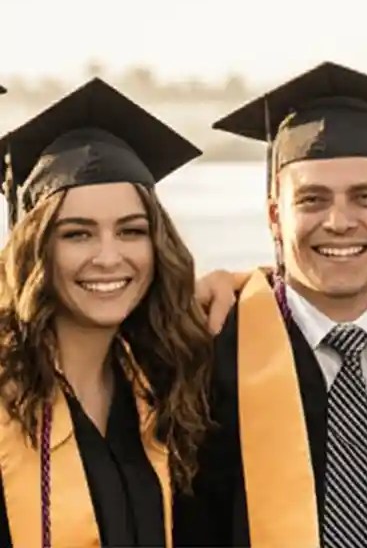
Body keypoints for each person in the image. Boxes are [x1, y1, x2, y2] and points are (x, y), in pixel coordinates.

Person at [172, 63, 367, 547]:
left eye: (365, 198)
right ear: (276, 217)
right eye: (313, 200)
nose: (339, 222)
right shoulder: (210, 354)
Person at [0, 78, 213, 547]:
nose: (109, 256)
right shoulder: (6, 394)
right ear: (36, 251)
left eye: (131, 231)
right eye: (77, 234)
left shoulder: (161, 385)